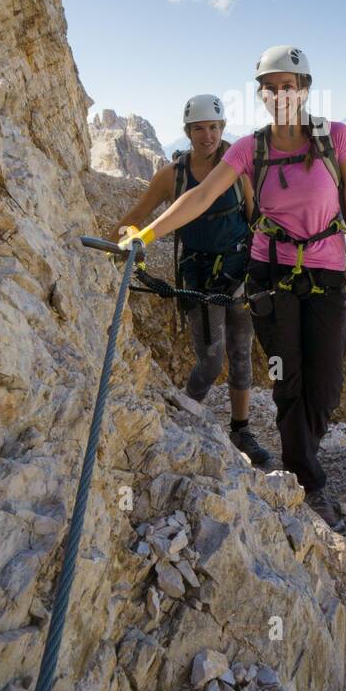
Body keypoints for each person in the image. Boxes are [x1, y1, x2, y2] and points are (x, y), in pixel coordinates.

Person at [118, 48, 346, 530]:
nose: (281, 95)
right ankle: (308, 480)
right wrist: (148, 233)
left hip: (325, 273)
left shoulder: (336, 138)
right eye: (271, 87)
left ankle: (302, 453)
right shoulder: (249, 150)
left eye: (290, 85)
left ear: (305, 88)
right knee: (288, 378)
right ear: (261, 94)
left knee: (325, 384)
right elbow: (200, 196)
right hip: (269, 276)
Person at [115, 93, 271, 467]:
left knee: (240, 353)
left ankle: (241, 429)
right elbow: (137, 215)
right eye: (200, 128)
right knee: (212, 357)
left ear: (223, 128)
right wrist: (114, 242)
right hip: (198, 276)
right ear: (187, 132)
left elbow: (255, 219)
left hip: (238, 271)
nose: (208, 136)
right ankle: (184, 416)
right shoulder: (173, 176)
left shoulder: (239, 169)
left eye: (214, 127)